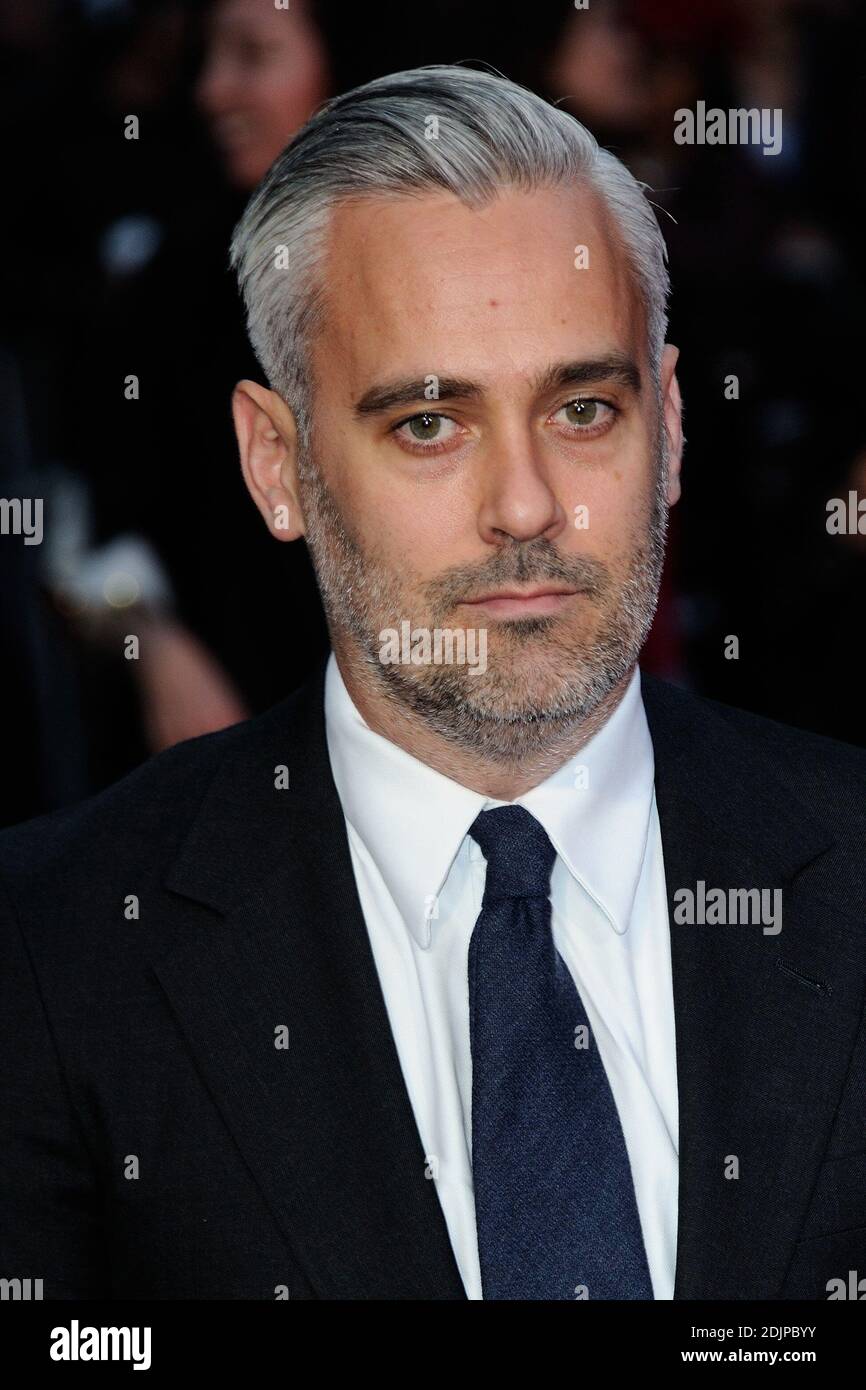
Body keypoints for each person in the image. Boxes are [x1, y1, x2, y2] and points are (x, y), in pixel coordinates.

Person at [1, 65, 864, 1302]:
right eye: (426, 423)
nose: (523, 506)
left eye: (580, 407)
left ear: (668, 425)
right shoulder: (52, 955)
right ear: (277, 463)